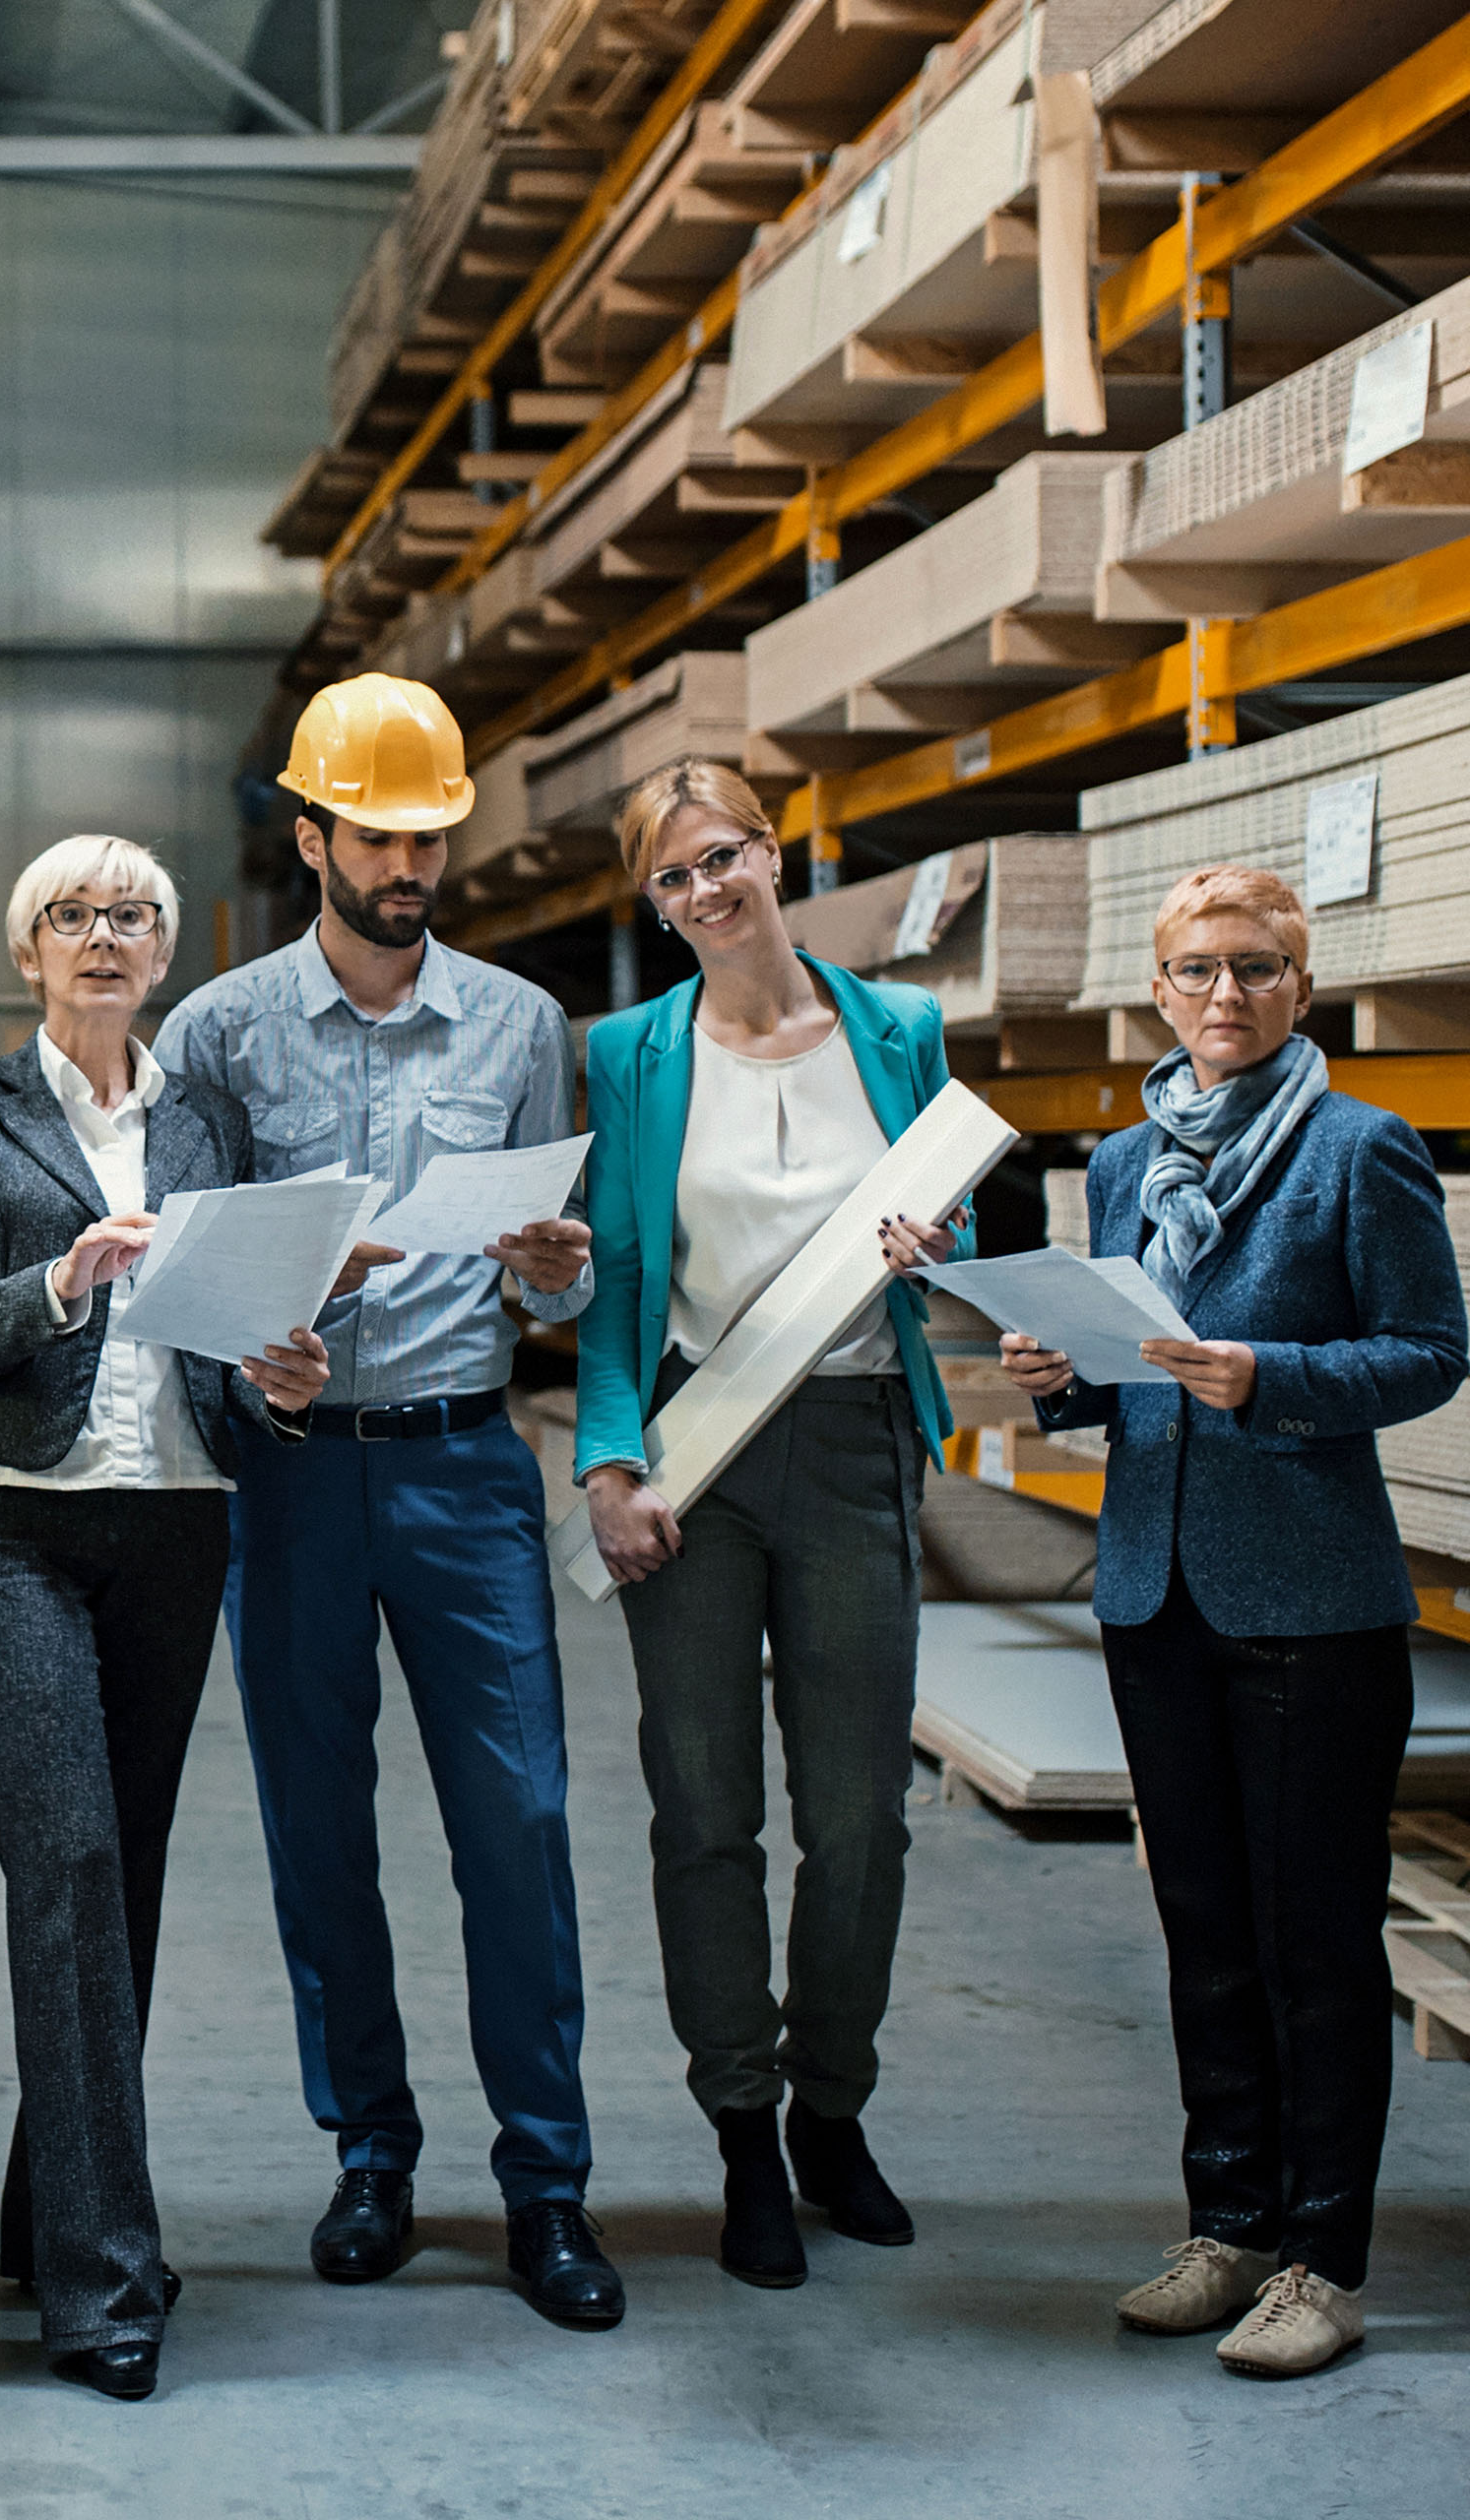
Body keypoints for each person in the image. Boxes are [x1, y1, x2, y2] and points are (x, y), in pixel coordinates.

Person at [159, 672, 623, 2331]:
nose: (410, 862)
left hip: (462, 1468)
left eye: (431, 834)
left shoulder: (518, 1027)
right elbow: (185, 1283)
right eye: (379, 834)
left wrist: (561, 1275)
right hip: (292, 1484)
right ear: (313, 838)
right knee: (320, 1837)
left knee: (521, 1828)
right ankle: (370, 2150)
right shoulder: (217, 1033)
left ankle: (549, 2185)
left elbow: (558, 1291)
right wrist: (246, 1363)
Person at [998, 862, 1464, 2379]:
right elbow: (1130, 1364)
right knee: (1202, 1927)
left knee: (1315, 1938)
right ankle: (1230, 2224)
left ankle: (1324, 2258)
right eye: (1197, 970)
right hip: (1156, 1586)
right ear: (1159, 986)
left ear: (1300, 988)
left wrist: (1274, 1376)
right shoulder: (1128, 1161)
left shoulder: (1360, 1152)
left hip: (1312, 1598)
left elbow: (1426, 1353)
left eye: (1254, 968)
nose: (1223, 996)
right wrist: (1058, 1373)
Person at [0, 834, 337, 2403]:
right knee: (65, 1853)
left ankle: (45, 2202)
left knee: (121, 1875)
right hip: (15, 1519)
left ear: (164, 955)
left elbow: (235, 1333)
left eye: (131, 916)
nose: (102, 936)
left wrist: (281, 1386)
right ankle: (101, 2278)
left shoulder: (207, 1119)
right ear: (28, 952)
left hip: (178, 1520)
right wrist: (62, 1286)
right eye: (69, 915)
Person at [574, 758, 963, 2293]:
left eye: (721, 857)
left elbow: (962, 1216)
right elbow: (610, 1275)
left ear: (774, 851)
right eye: (671, 879)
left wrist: (939, 1244)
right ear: (655, 904)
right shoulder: (624, 1050)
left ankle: (834, 2111)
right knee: (703, 1806)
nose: (704, 893)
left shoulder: (901, 1029)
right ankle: (742, 2123)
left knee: (860, 1810)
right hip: (696, 1445)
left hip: (858, 1435)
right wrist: (609, 1467)